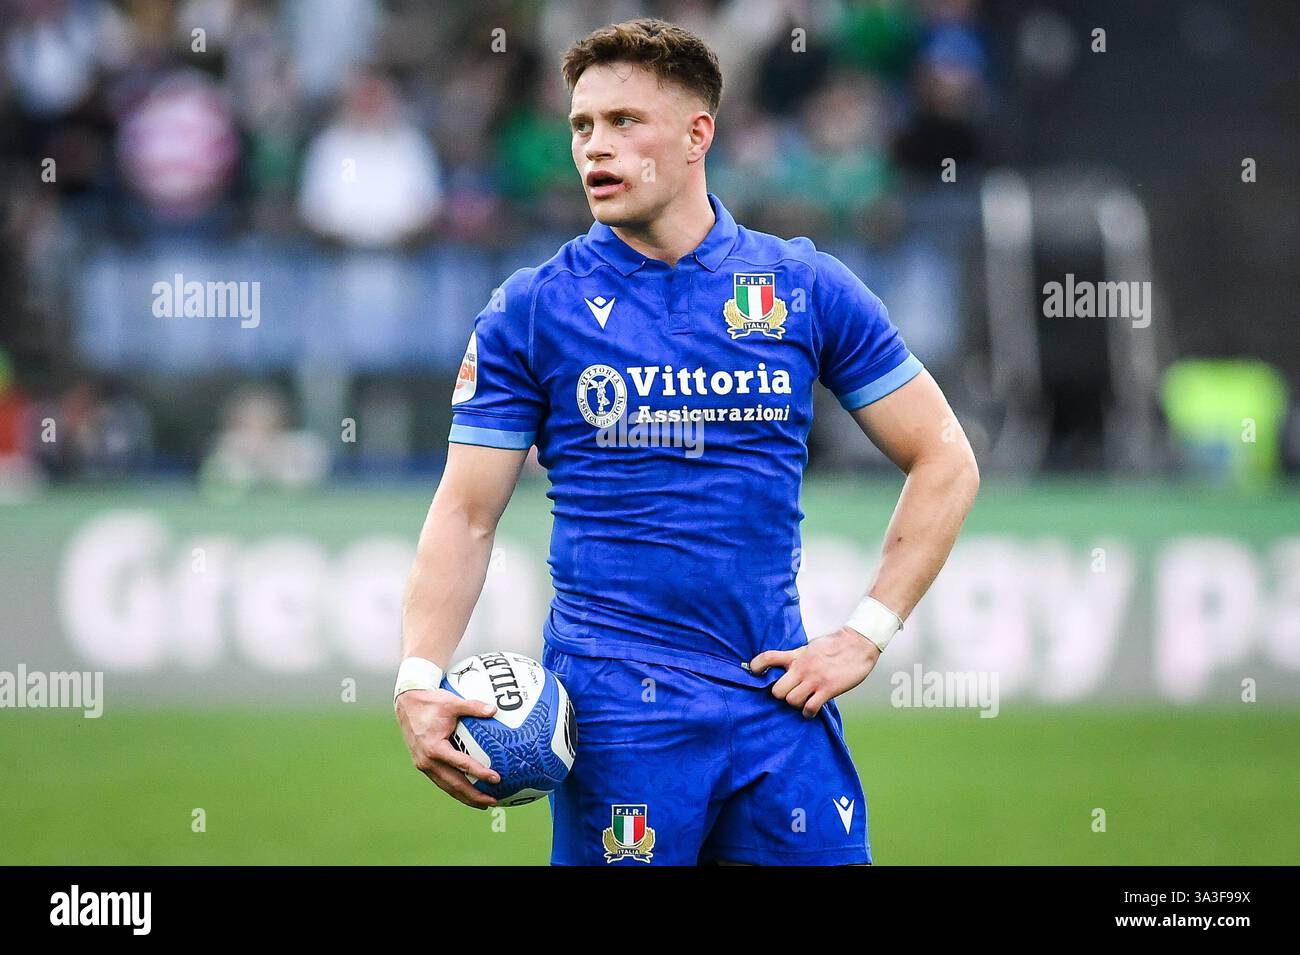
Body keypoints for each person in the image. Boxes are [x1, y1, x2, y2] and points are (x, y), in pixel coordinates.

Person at [395, 18, 979, 866]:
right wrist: (418, 678)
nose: (595, 146)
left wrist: (864, 633)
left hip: (779, 704)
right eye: (582, 126)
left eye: (624, 121)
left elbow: (945, 458)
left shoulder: (801, 286)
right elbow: (466, 512)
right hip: (616, 718)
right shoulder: (532, 309)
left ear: (698, 133)